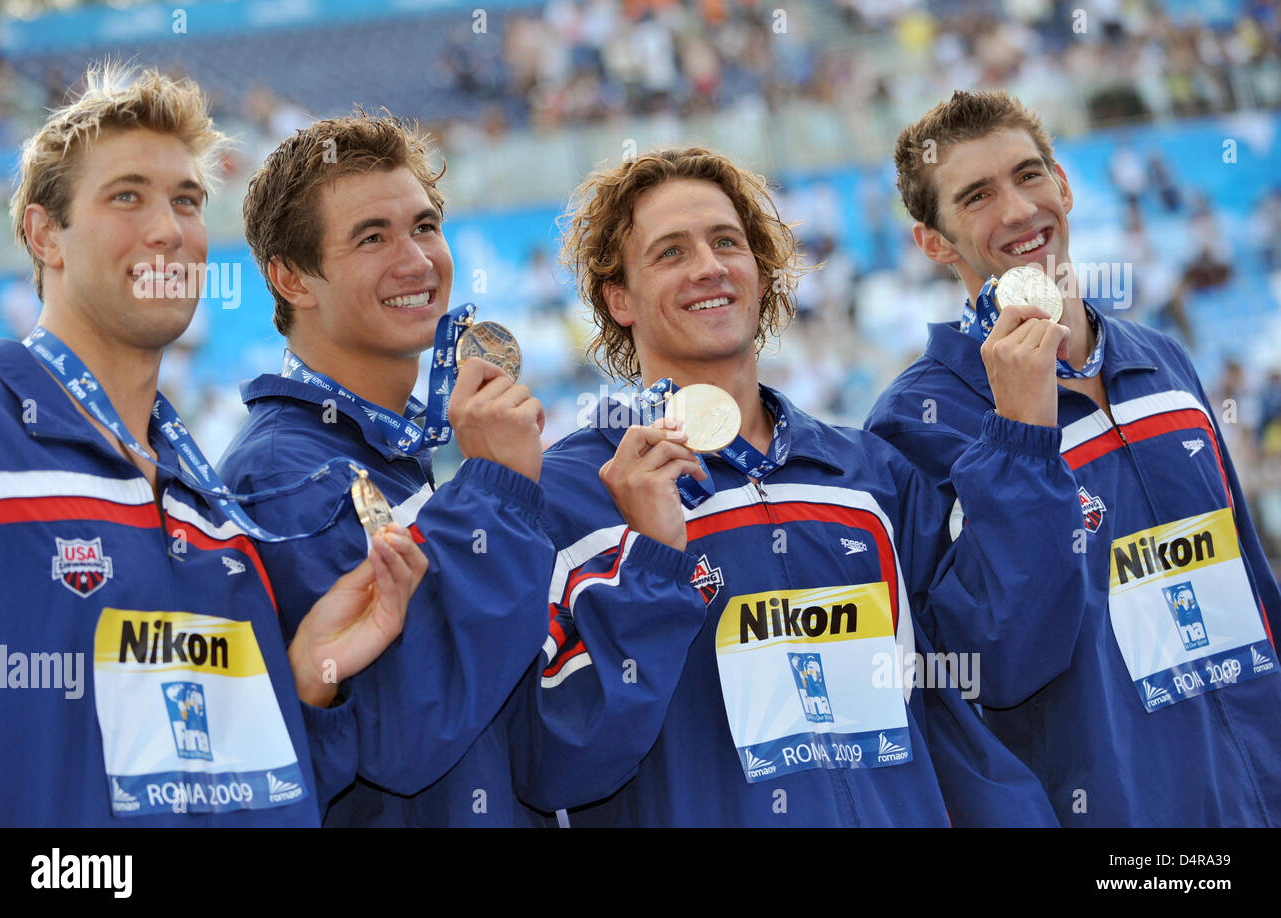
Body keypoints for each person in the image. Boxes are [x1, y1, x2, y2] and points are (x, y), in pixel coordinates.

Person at [543, 146, 1084, 826]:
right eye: (671, 253)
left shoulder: (871, 475)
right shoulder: (570, 498)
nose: (709, 267)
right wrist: (649, 565)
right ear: (618, 297)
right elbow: (560, 760)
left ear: (762, 274)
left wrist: (1025, 443)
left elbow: (1005, 662)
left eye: (726, 243)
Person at [221, 112, 702, 825]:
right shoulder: (287, 477)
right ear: (291, 278)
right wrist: (499, 490)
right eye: (371, 237)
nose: (415, 260)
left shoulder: (393, 462)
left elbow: (547, 756)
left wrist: (650, 562)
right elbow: (399, 739)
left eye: (422, 226)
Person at [0, 66, 425, 826]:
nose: (169, 230)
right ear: (43, 233)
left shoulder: (208, 502)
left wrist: (308, 681)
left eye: (186, 201)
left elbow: (247, 789)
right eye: (127, 196)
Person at [869, 88, 1281, 825]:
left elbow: (1250, 582)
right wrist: (1020, 435)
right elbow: (992, 665)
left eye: (1029, 176)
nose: (1021, 210)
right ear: (933, 242)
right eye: (977, 196)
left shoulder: (1160, 359)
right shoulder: (914, 422)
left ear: (1063, 183)